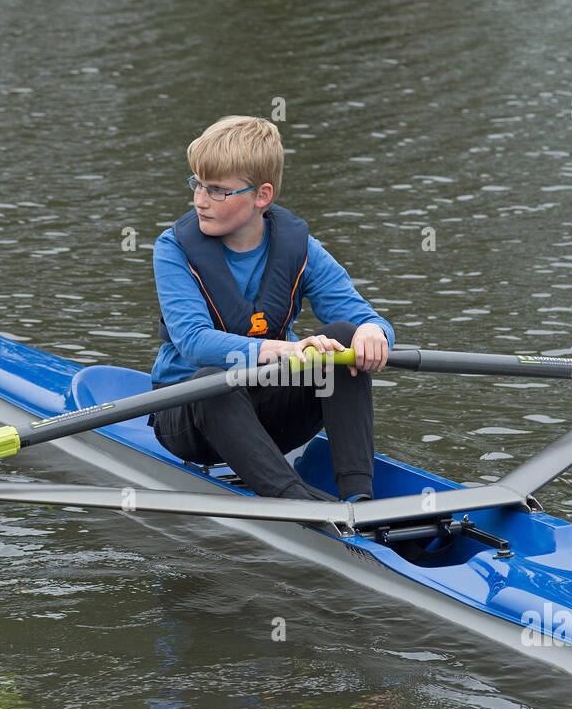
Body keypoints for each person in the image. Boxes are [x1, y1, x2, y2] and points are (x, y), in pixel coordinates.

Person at [149, 116, 394, 502]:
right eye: (197, 183)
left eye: (217, 191)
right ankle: (294, 503)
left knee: (345, 338)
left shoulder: (300, 249)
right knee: (213, 380)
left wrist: (374, 333)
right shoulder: (173, 249)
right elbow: (194, 342)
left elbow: (364, 316)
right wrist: (285, 350)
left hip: (270, 413)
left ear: (262, 196)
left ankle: (358, 496)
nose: (199, 199)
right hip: (189, 415)